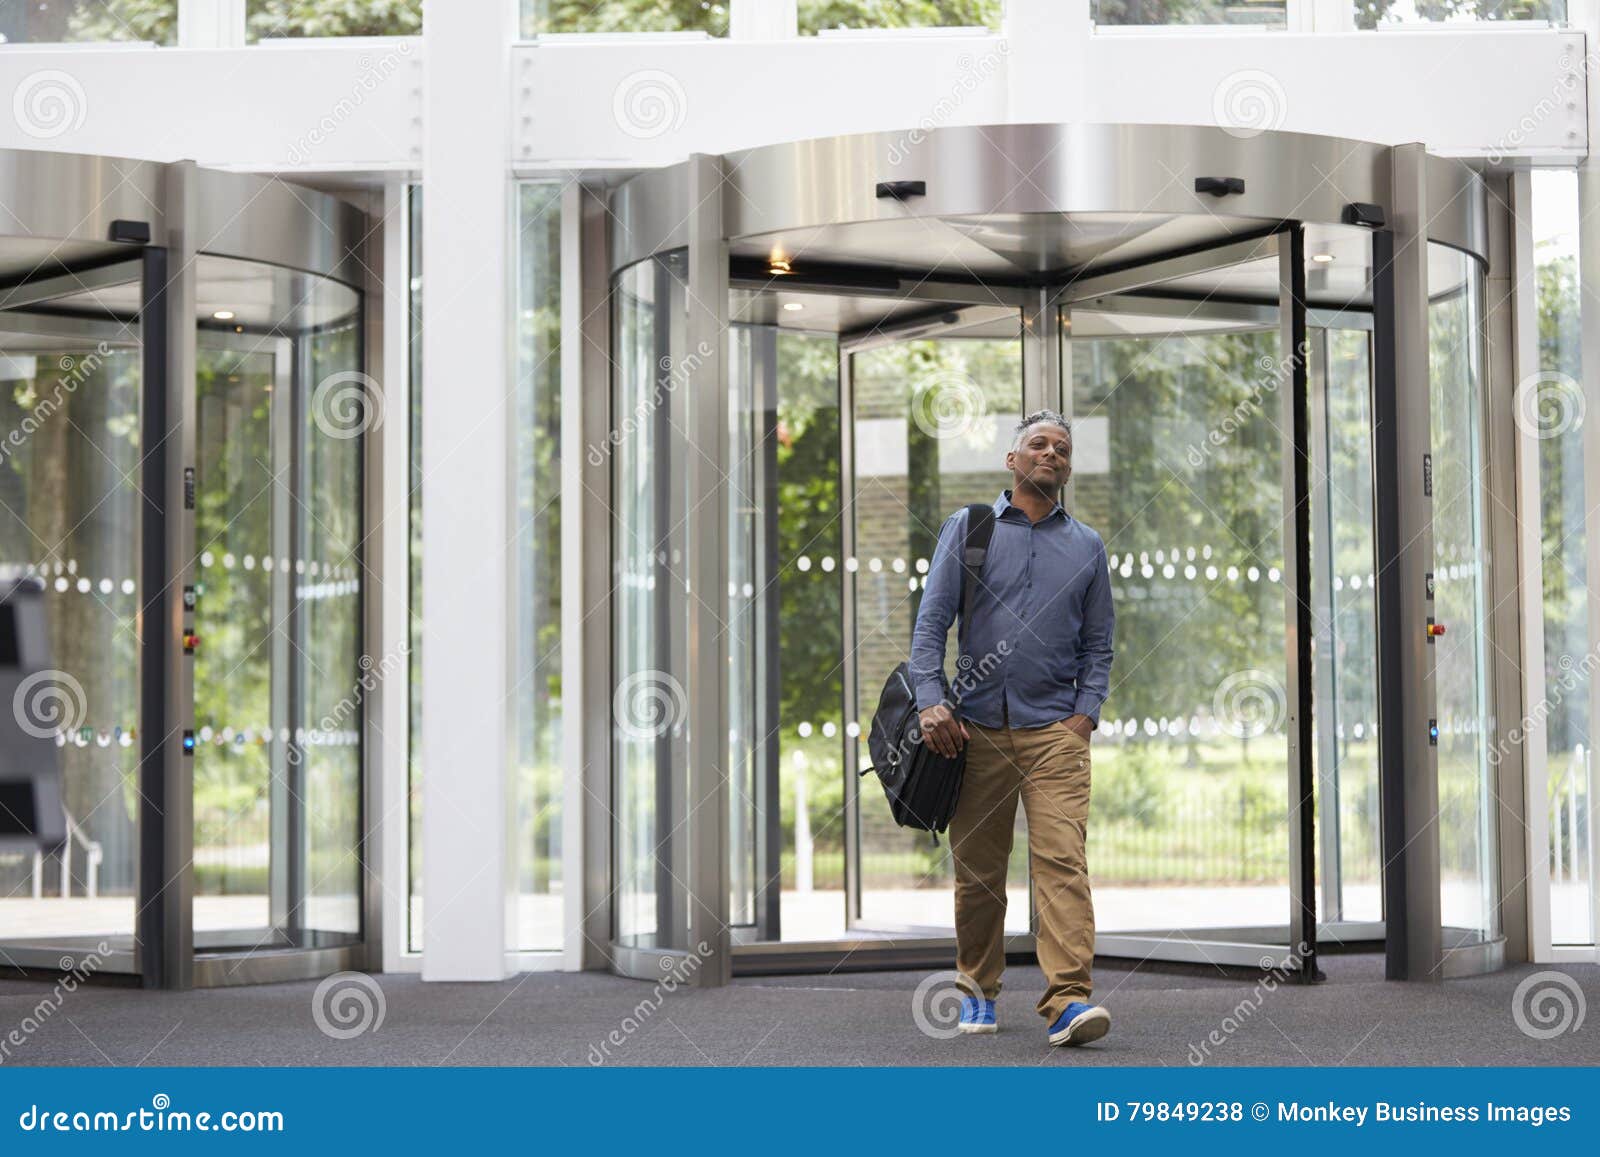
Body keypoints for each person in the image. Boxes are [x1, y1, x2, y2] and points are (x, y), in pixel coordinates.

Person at [909, 409, 1115, 1047]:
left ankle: (1068, 1002)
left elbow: (1099, 645)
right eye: (1038, 445)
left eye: (1062, 447)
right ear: (1013, 460)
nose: (1051, 453)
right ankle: (976, 990)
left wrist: (1084, 714)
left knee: (1062, 862)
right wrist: (929, 699)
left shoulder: (1086, 545)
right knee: (979, 872)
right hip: (972, 732)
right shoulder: (969, 529)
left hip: (1055, 730)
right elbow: (930, 625)